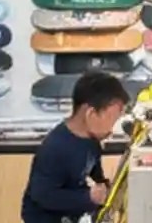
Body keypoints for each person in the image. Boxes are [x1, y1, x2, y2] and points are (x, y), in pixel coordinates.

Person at [22, 71, 129, 223]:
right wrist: (89, 197)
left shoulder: (92, 141)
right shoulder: (56, 147)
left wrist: (104, 183)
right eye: (112, 119)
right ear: (91, 114)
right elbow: (43, 195)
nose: (113, 129)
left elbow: (93, 169)